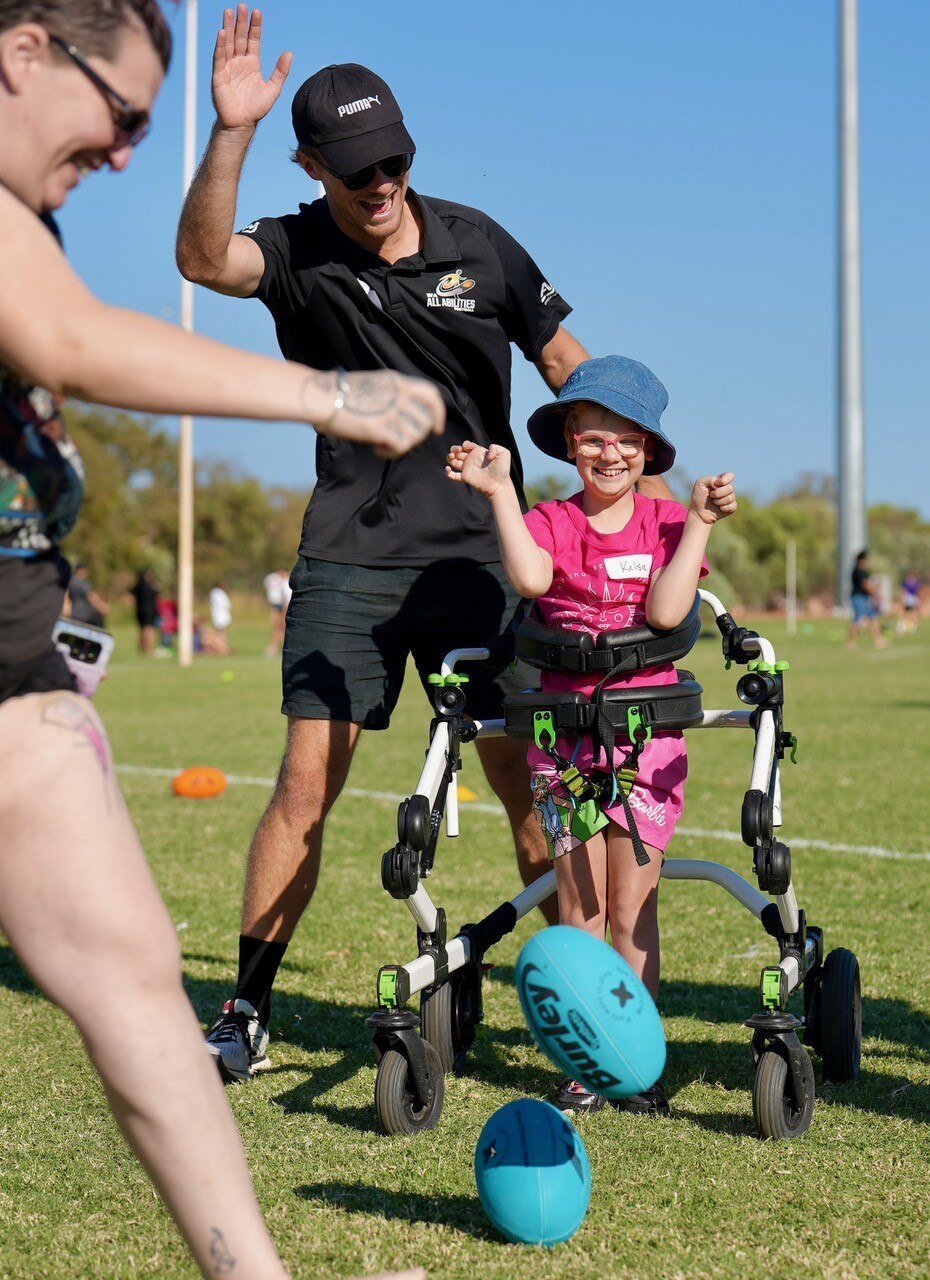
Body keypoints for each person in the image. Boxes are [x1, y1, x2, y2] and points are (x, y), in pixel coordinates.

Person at [0, 3, 441, 1276]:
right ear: (26, 52)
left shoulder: (27, 214)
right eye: (122, 114)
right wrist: (327, 392)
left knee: (137, 979)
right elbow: (74, 343)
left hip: (19, 670)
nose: (128, 150)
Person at [175, 4, 649, 1081]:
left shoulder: (479, 242)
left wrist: (626, 468)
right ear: (313, 164)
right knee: (307, 782)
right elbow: (204, 260)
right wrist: (230, 133)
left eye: (391, 160)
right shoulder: (294, 250)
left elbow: (568, 360)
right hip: (348, 557)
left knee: (528, 786)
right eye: (355, 169)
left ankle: (576, 1020)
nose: (378, 182)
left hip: (481, 561)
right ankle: (245, 1008)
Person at [446, 355, 737, 1115]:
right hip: (563, 736)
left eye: (626, 440)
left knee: (634, 905)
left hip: (647, 737)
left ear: (647, 449)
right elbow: (534, 580)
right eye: (593, 437)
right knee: (583, 907)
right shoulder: (551, 520)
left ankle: (632, 1059)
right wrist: (499, 493)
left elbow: (671, 613)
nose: (610, 453)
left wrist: (699, 522)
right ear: (569, 442)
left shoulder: (668, 521)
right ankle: (585, 1061)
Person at [847, 550, 885, 649]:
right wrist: (875, 594)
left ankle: (878, 640)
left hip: (865, 597)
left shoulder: (864, 572)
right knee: (859, 618)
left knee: (873, 617)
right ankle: (851, 641)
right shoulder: (858, 572)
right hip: (858, 597)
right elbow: (866, 585)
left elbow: (869, 584)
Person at [129, 565, 160, 653]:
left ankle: (142, 648)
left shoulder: (138, 586)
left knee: (142, 630)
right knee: (149, 630)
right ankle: (148, 649)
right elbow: (158, 597)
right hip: (150, 610)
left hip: (140, 610)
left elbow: (129, 597)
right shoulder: (153, 586)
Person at [67, 561, 108, 626]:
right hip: (85, 618)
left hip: (74, 616)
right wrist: (102, 608)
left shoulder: (70, 582)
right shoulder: (82, 583)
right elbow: (91, 597)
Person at [263, 566, 292, 656]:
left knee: (280, 627)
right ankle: (275, 647)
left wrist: (284, 613)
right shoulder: (280, 581)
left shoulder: (286, 582)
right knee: (279, 628)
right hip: (282, 606)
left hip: (287, 607)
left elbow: (287, 600)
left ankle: (273, 648)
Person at [209, 578, 233, 652]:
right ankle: (220, 647)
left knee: (222, 631)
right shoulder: (216, 592)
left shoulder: (219, 592)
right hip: (219, 614)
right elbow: (222, 604)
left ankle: (222, 646)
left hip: (222, 614)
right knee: (220, 631)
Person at [898, 570, 921, 635]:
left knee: (913, 613)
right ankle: (901, 627)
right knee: (904, 612)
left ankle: (912, 628)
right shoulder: (905, 583)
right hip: (907, 598)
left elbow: (917, 591)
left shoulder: (916, 583)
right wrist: (902, 597)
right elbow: (903, 591)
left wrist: (918, 600)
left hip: (913, 598)